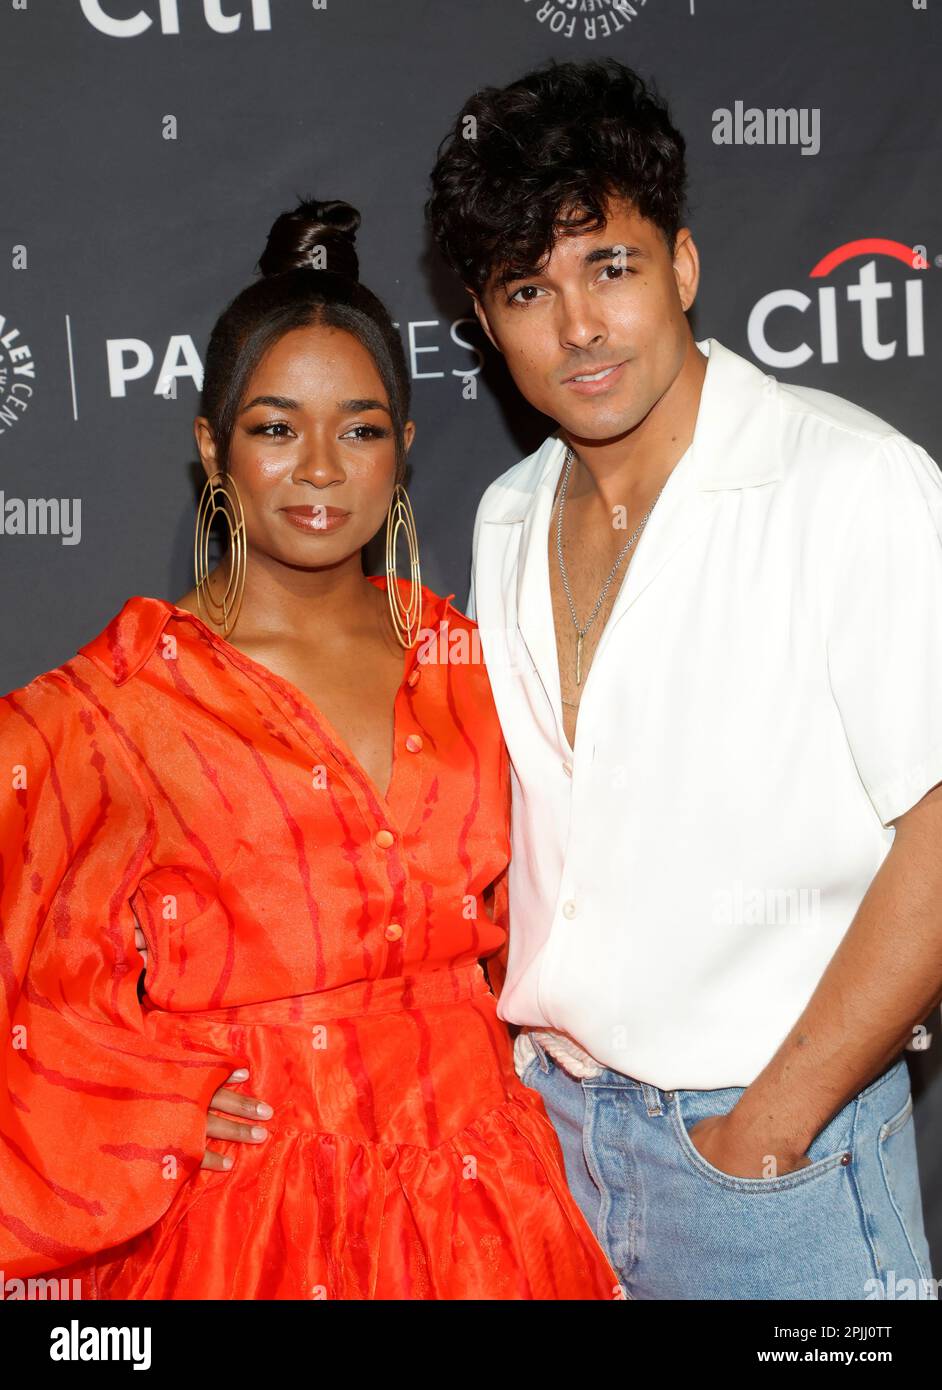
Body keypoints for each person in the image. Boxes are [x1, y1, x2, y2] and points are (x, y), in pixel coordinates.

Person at [0, 197, 619, 1300]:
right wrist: (146, 1098)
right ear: (212, 448)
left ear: (406, 447)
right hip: (252, 1228)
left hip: (487, 1206)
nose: (322, 468)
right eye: (277, 427)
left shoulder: (476, 659)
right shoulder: (117, 704)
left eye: (363, 427)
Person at [426, 58, 941, 1300]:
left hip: (774, 1165)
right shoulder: (503, 516)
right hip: (552, 1145)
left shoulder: (852, 485)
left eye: (612, 266)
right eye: (529, 290)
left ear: (685, 267)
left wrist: (767, 1130)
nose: (580, 327)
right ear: (490, 327)